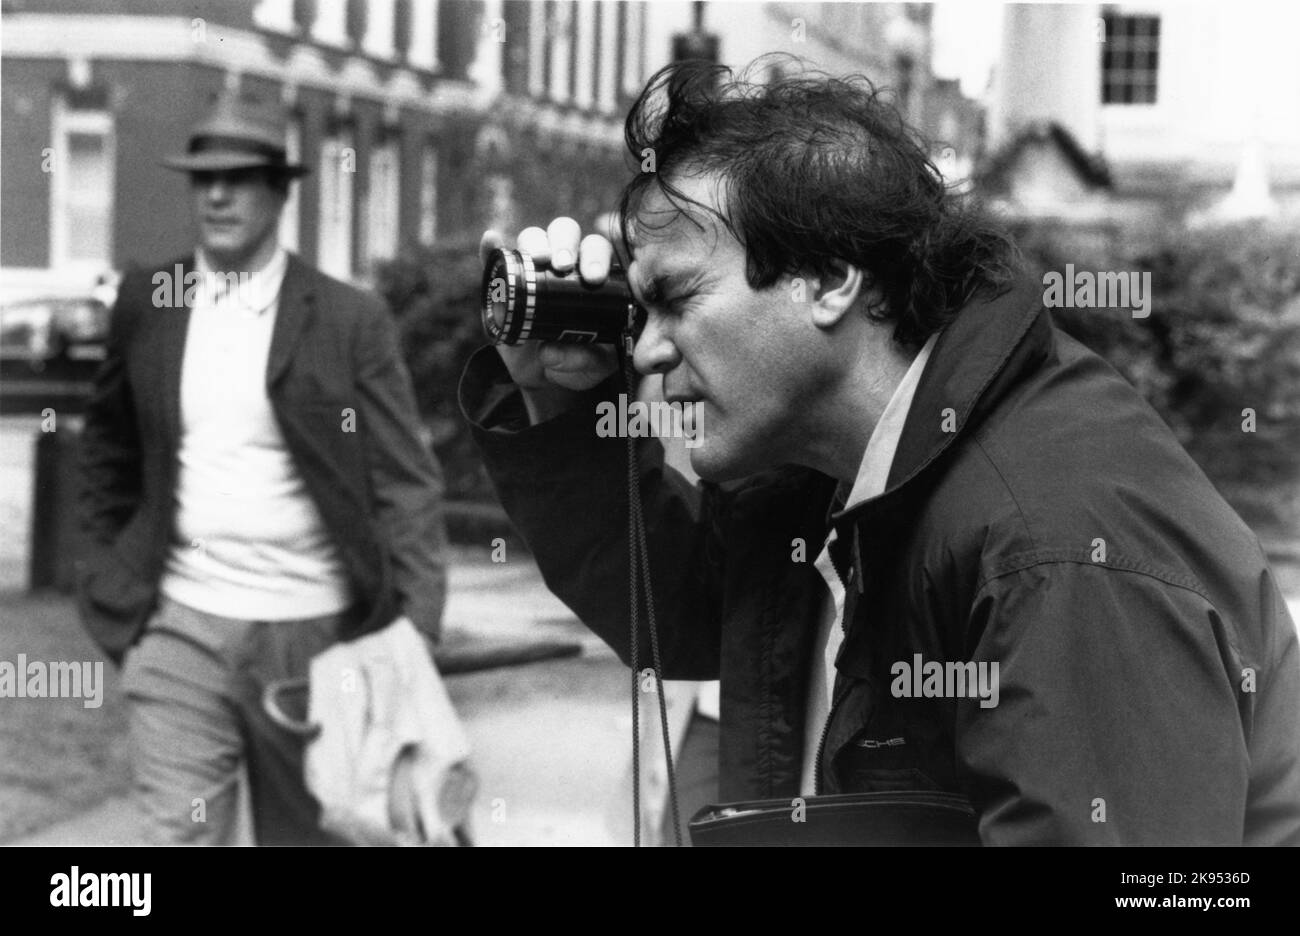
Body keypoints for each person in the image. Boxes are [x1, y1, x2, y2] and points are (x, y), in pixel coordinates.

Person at [460, 61, 1300, 844]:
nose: (646, 352)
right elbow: (688, 612)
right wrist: (563, 400)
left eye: (677, 298)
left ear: (830, 279)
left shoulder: (1060, 548)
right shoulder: (836, 466)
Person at [75, 92, 450, 845]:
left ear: (280, 190)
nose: (216, 194)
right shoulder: (152, 300)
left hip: (316, 640)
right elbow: (106, 452)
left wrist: (415, 632)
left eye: (239, 177)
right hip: (178, 628)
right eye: (202, 178)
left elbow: (403, 480)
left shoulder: (349, 320)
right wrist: (108, 585)